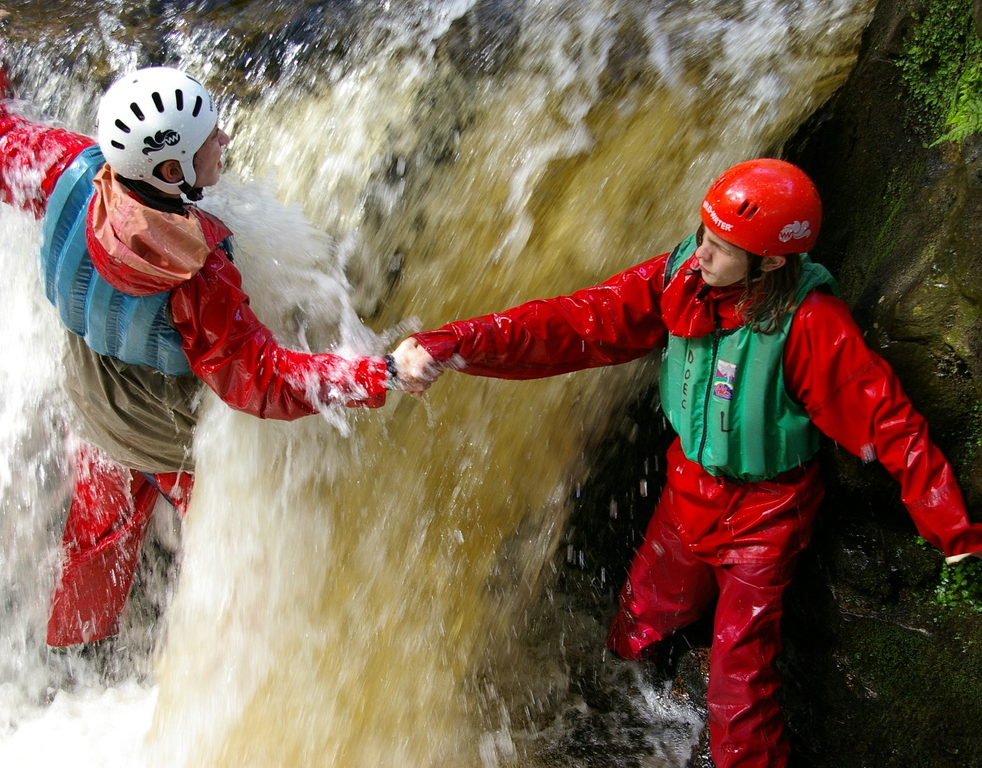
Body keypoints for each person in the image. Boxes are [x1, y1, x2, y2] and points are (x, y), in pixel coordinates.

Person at [390, 157, 982, 768]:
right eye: (703, 235)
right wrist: (454, 343)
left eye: (722, 248)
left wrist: (951, 525)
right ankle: (621, 716)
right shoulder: (682, 279)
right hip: (686, 490)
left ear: (771, 262)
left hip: (766, 516)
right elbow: (576, 323)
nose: (702, 253)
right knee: (639, 618)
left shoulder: (811, 324)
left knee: (740, 685)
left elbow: (888, 421)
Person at [0, 2, 400, 647]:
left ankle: (76, 645)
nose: (224, 143)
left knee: (102, 517)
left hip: (92, 393)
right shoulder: (199, 278)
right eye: (210, 141)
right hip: (165, 430)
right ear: (171, 172)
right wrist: (374, 373)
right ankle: (237, 655)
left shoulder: (66, 167)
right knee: (237, 547)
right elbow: (261, 383)